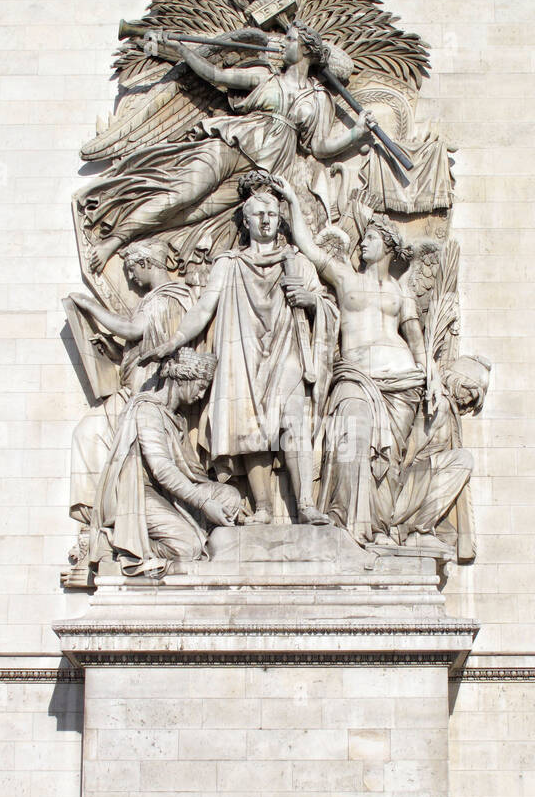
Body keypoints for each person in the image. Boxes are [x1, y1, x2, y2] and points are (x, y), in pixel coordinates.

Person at [82, 25, 369, 274]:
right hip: (231, 145)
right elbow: (215, 74)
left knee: (194, 213)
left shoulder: (319, 98)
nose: (284, 44)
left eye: (291, 40)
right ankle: (114, 240)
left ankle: (139, 237)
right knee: (182, 194)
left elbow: (318, 146)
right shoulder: (266, 76)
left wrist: (356, 133)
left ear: (307, 49)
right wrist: (182, 49)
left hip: (261, 175)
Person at [148, 174, 338, 526]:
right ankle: (264, 507)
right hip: (244, 353)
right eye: (257, 214)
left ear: (280, 219)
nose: (265, 220)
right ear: (245, 221)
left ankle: (307, 505)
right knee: (250, 426)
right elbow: (205, 307)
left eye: (271, 213)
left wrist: (310, 300)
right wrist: (175, 340)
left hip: (288, 348)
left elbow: (327, 305)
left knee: (293, 418)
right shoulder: (229, 263)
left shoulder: (298, 262)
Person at [273, 176, 436, 545]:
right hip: (355, 376)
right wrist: (292, 204)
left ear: (389, 246)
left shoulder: (401, 290)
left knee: (388, 461)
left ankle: (377, 527)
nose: (363, 242)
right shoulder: (344, 277)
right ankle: (346, 523)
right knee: (353, 435)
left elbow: (416, 340)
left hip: (401, 384)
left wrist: (434, 377)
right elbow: (310, 248)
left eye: (371, 238)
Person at [66, 239, 193, 529]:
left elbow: (134, 330)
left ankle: (100, 517)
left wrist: (90, 306)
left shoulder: (164, 298)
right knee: (90, 434)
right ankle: (101, 516)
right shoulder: (164, 298)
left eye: (133, 270)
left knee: (88, 432)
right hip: (140, 389)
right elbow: (143, 345)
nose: (132, 279)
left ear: (147, 263)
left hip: (146, 395)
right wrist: (113, 350)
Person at [89, 348, 244, 576]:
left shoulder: (177, 419)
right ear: (183, 379)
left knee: (230, 496)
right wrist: (203, 503)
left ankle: (192, 529)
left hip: (168, 494)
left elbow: (191, 472)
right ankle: (118, 544)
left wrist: (213, 498)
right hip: (141, 494)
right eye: (200, 387)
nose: (201, 395)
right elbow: (162, 469)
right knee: (186, 547)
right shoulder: (147, 411)